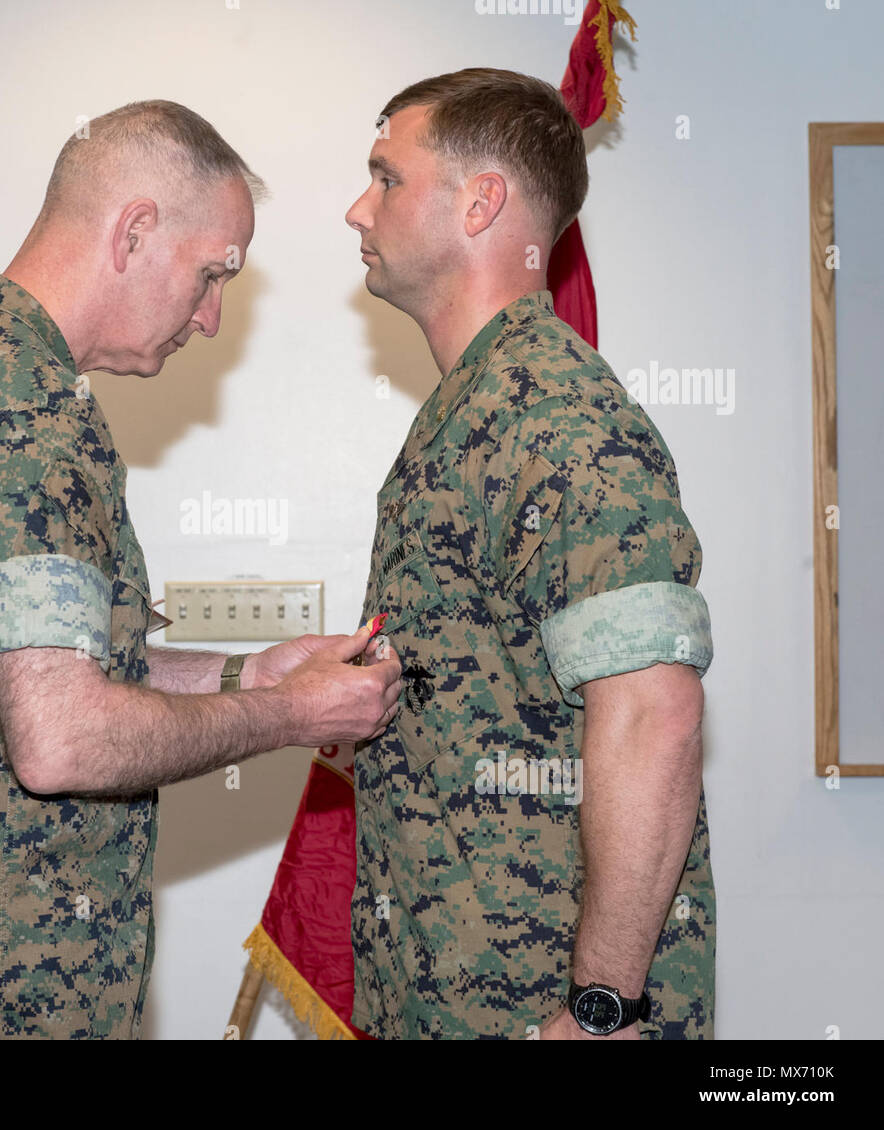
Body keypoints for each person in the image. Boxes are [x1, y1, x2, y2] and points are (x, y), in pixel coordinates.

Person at [0, 100, 402, 1040]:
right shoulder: (19, 404)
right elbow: (63, 738)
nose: (210, 315)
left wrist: (252, 671)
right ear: (135, 230)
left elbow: (44, 670)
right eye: (210, 274)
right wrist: (290, 716)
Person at [344, 69, 715, 1039]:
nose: (357, 207)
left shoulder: (557, 414)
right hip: (448, 990)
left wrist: (599, 1011)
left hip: (541, 1009)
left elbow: (654, 714)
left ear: (481, 202)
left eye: (385, 178)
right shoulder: (472, 408)